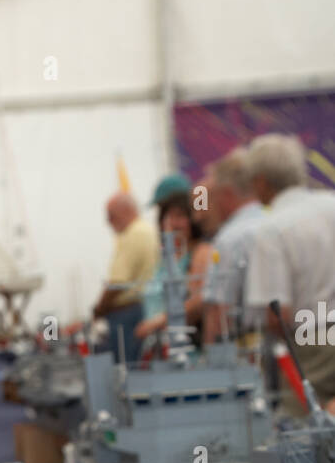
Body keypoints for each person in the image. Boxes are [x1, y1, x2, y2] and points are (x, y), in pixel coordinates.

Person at [244, 134, 335, 413]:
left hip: (313, 339)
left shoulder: (271, 230)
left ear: (261, 181)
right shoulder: (331, 203)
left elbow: (277, 314)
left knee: (303, 434)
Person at [198, 147, 265, 343]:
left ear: (227, 194)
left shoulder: (228, 239)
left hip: (248, 348)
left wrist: (211, 364)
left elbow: (219, 310)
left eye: (214, 196)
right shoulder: (277, 223)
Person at [134, 188, 212, 342]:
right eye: (167, 217)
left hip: (186, 342)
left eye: (179, 216)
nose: (172, 223)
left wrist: (157, 322)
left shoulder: (201, 252)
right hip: (157, 345)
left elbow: (200, 300)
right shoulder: (163, 259)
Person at [93, 193, 158, 360]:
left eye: (111, 216)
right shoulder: (147, 230)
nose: (108, 222)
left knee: (124, 369)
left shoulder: (132, 234)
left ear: (125, 210)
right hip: (142, 309)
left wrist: (98, 310)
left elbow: (118, 282)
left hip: (126, 315)